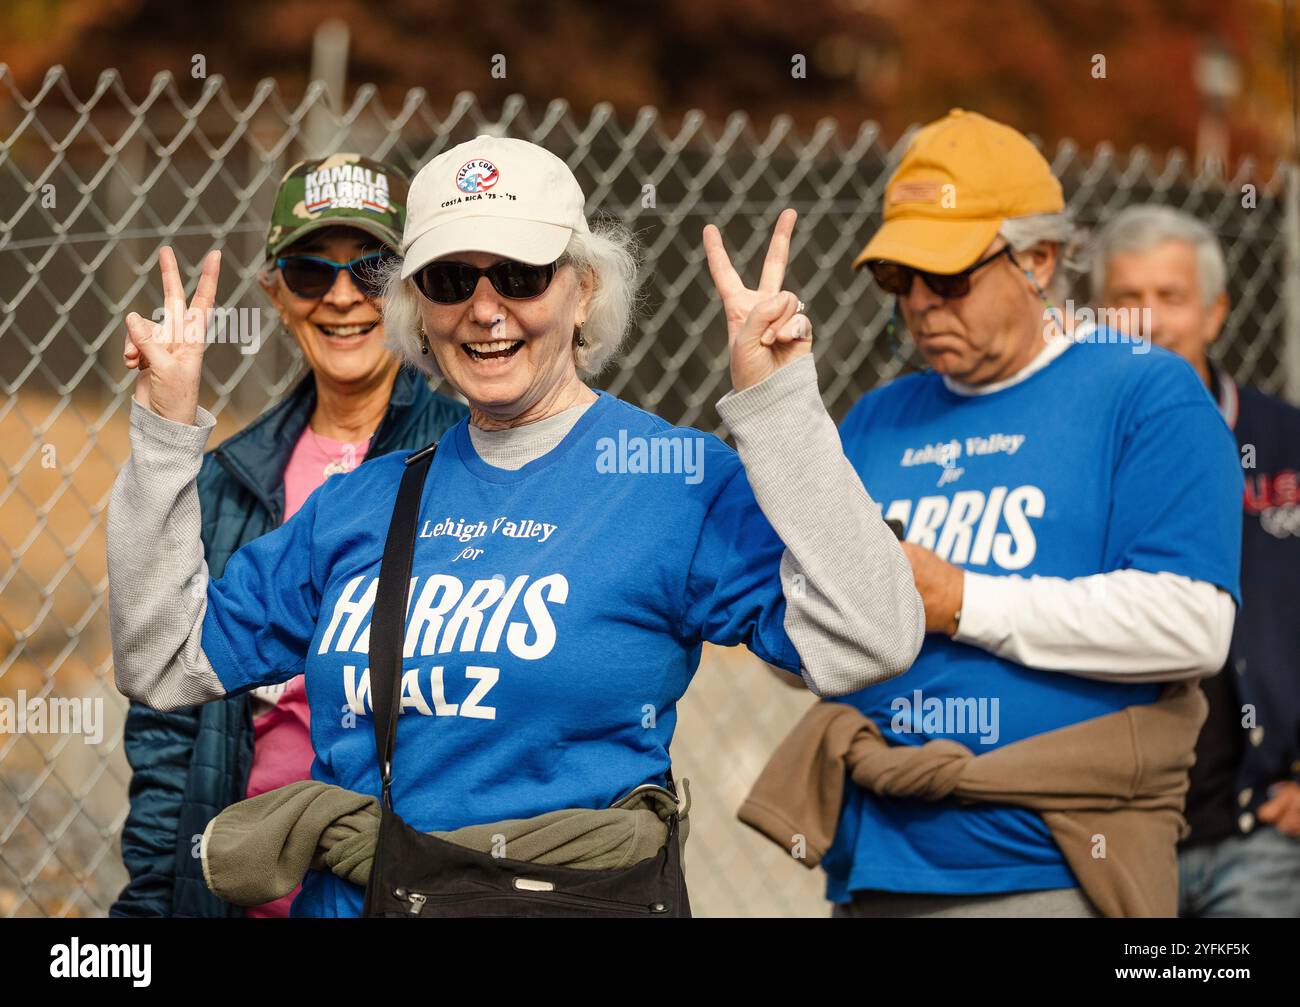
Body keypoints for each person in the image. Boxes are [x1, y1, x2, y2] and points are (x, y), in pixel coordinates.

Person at [106, 134, 925, 918]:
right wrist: (165, 435)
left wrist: (781, 409)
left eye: (522, 274)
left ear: (584, 288)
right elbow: (163, 658)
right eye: (451, 279)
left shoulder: (673, 481)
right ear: (418, 311)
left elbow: (873, 635)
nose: (486, 309)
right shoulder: (365, 500)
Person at [822, 109, 1242, 916]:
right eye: (897, 279)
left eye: (947, 277)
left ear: (1039, 259)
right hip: (880, 861)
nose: (919, 304)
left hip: (1054, 869)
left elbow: (1193, 623)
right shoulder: (878, 418)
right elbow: (801, 656)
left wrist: (963, 601)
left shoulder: (1142, 391)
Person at [111, 154, 468, 918]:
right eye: (311, 272)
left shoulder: (470, 466)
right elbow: (169, 733)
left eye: (371, 270)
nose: (342, 297)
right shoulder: (224, 483)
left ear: (411, 288)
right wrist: (151, 905)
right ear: (275, 292)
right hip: (243, 895)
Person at [1095, 203, 1300, 917]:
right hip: (1109, 832)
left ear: (1215, 313)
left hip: (1258, 834)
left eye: (1169, 297)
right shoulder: (1068, 450)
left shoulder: (1286, 444)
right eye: (1127, 299)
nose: (1148, 320)